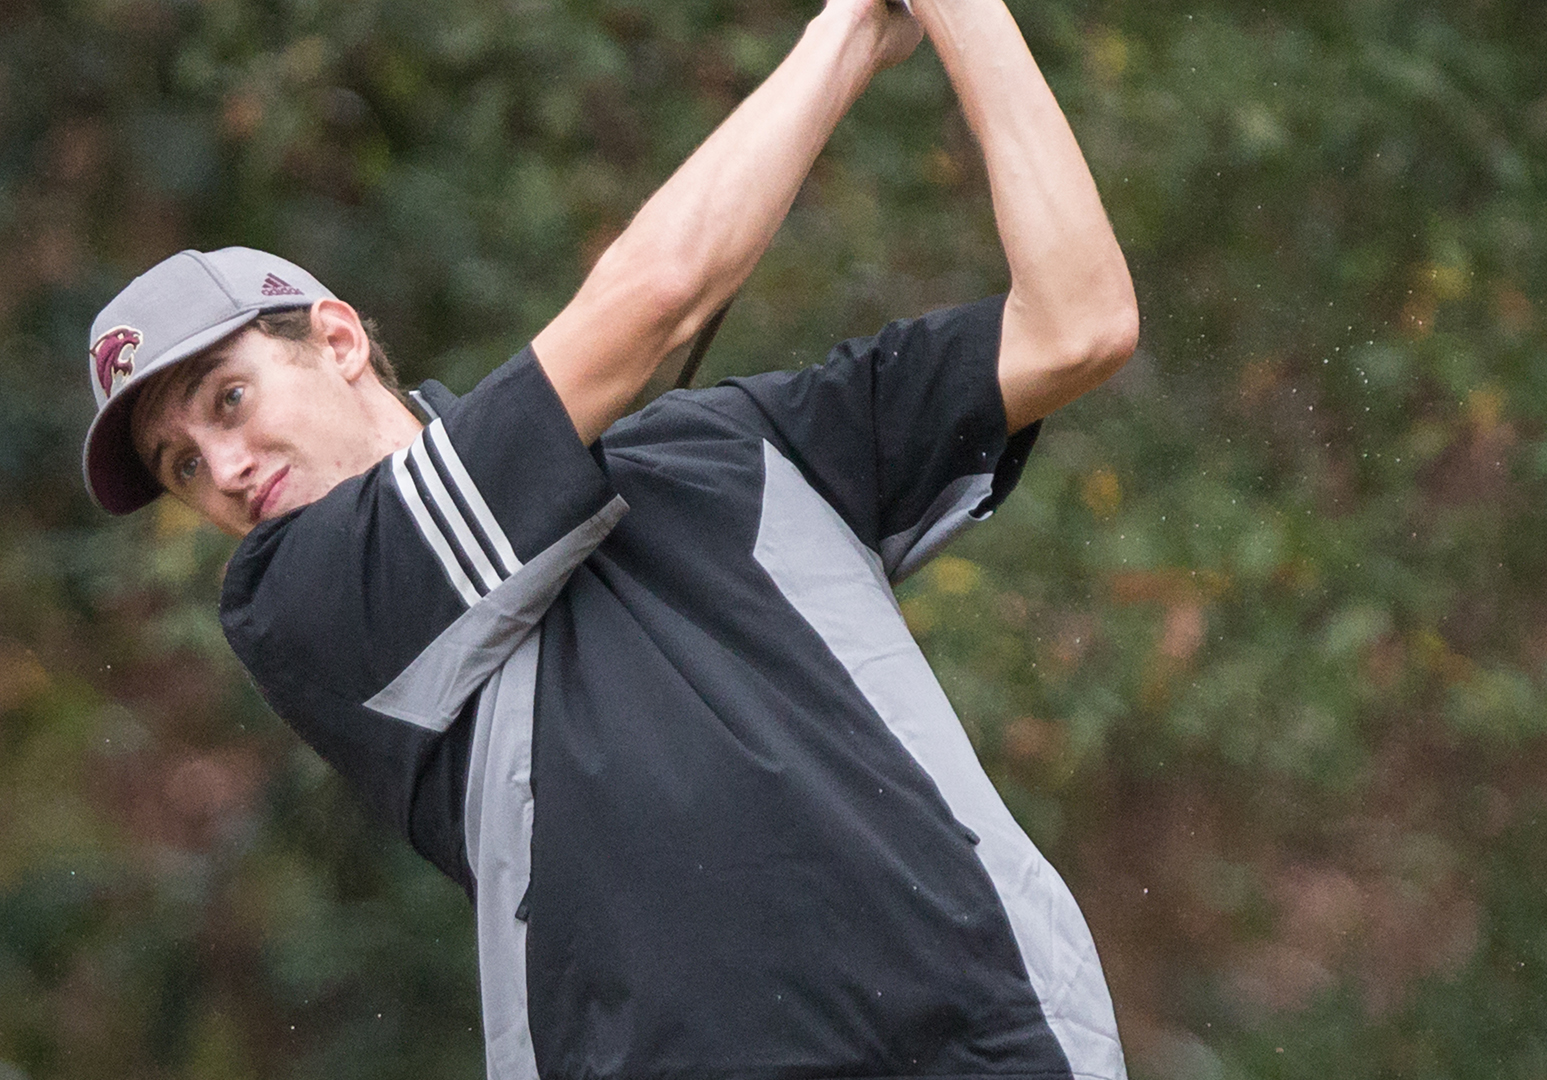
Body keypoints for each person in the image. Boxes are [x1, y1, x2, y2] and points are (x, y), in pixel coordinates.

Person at [79, 0, 1138, 1077]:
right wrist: (852, 30)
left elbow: (1077, 324)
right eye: (181, 468)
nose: (223, 469)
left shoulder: (732, 445)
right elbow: (660, 295)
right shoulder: (303, 602)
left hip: (994, 1050)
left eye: (226, 400)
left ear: (339, 340)